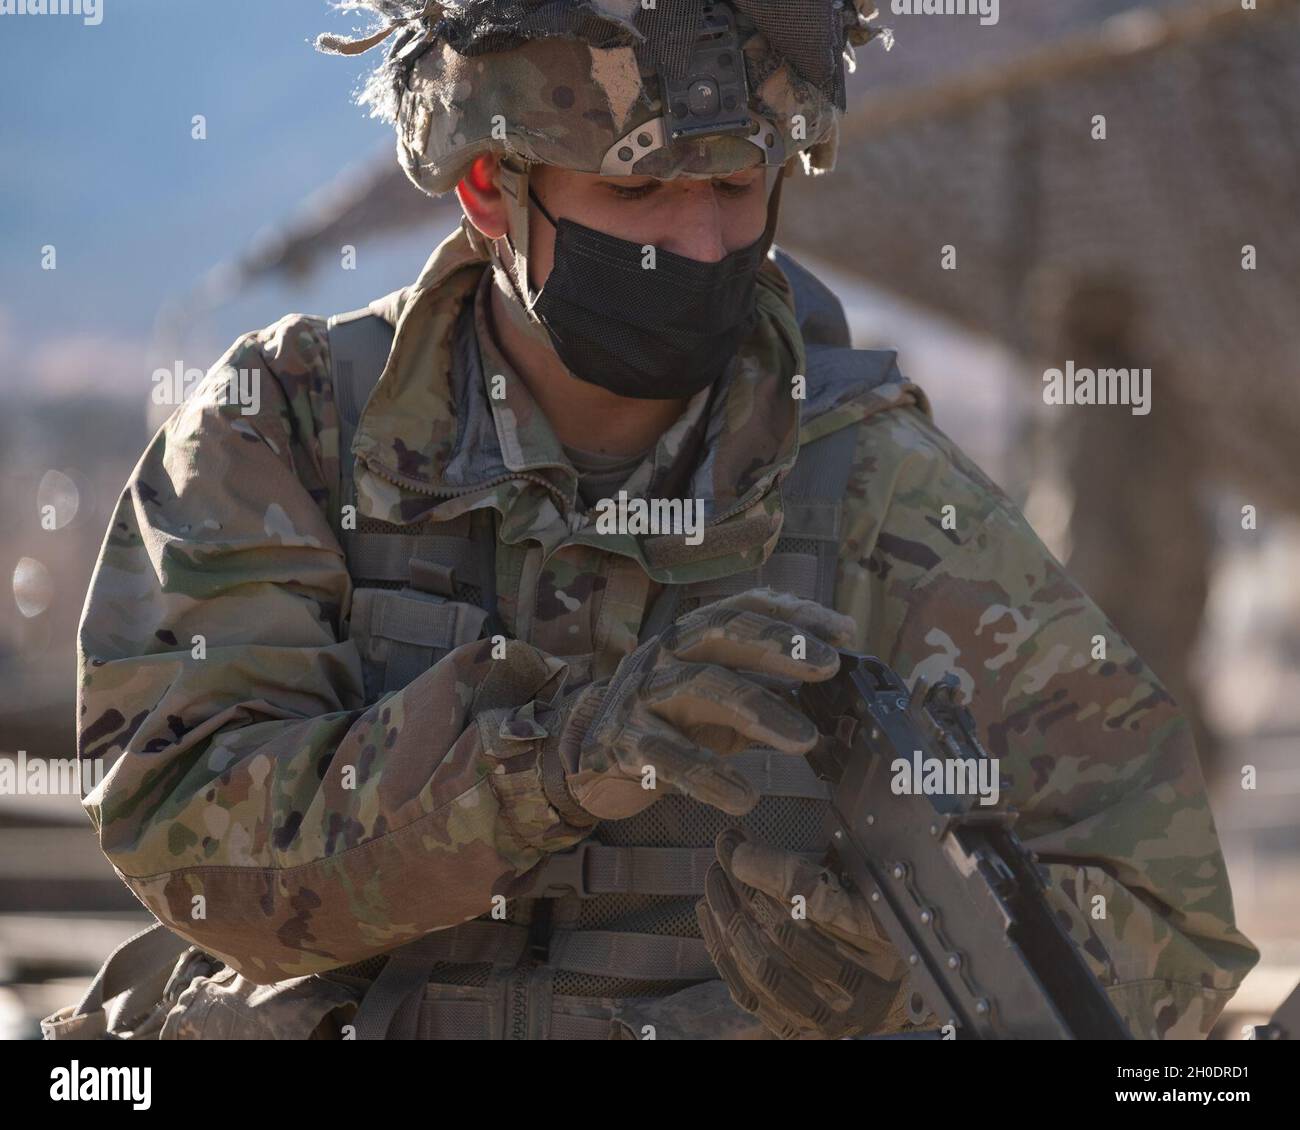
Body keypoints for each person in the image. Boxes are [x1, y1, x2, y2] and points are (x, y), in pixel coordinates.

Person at [63, 1, 1256, 1040]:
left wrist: (904, 984)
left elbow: (1165, 926)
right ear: (491, 188)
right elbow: (187, 840)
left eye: (735, 185)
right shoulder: (290, 428)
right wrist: (555, 762)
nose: (699, 242)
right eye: (637, 191)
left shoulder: (883, 492)